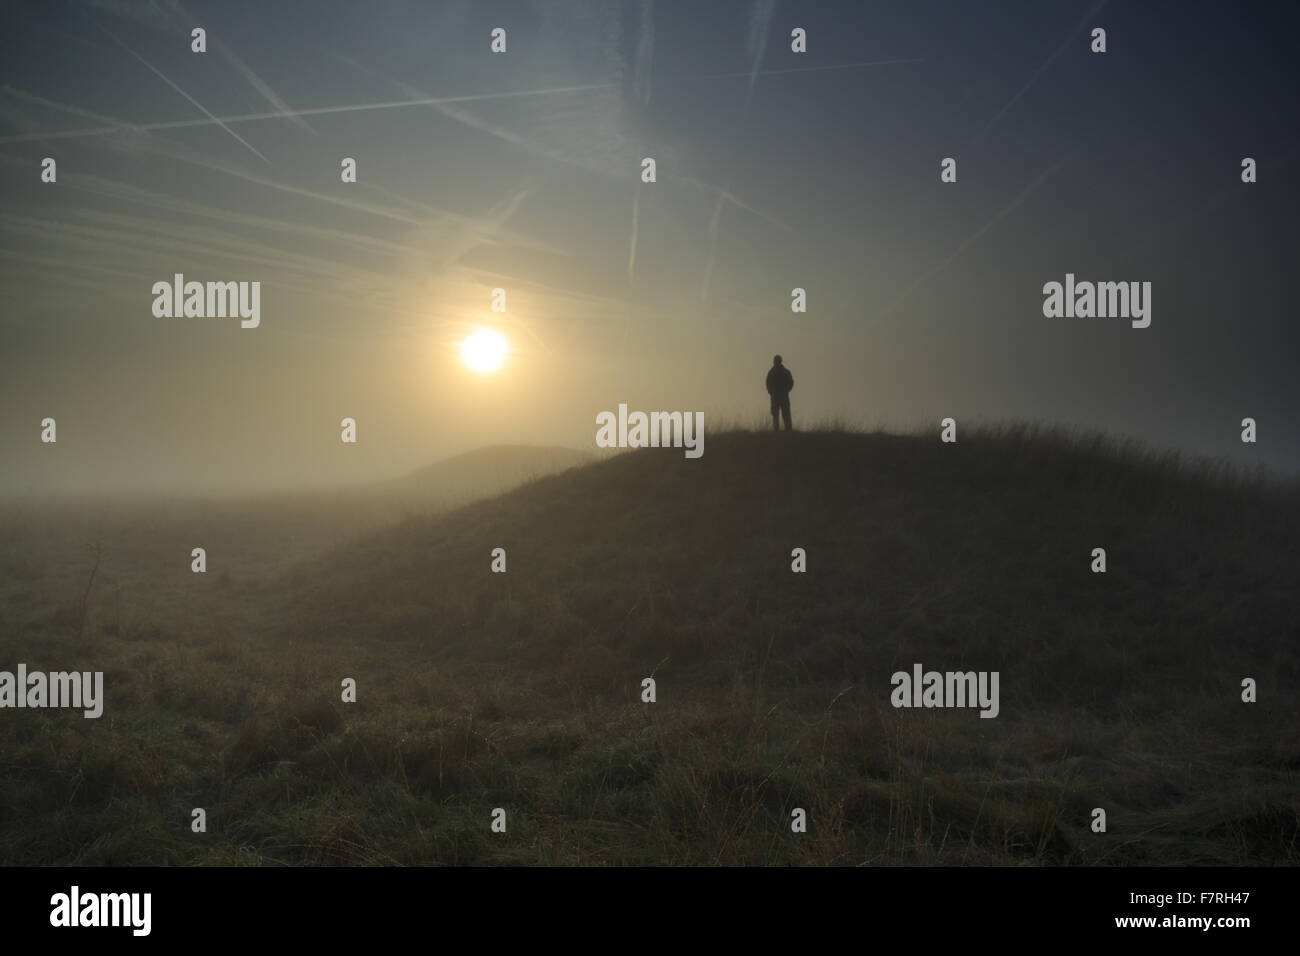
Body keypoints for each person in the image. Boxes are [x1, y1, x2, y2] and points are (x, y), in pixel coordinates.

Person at [765, 354, 793, 431]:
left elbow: (790, 383)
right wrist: (772, 392)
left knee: (782, 414)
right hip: (778, 396)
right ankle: (784, 431)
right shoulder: (784, 372)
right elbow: (768, 384)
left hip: (778, 396)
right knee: (778, 414)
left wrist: (772, 392)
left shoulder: (772, 372)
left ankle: (784, 431)